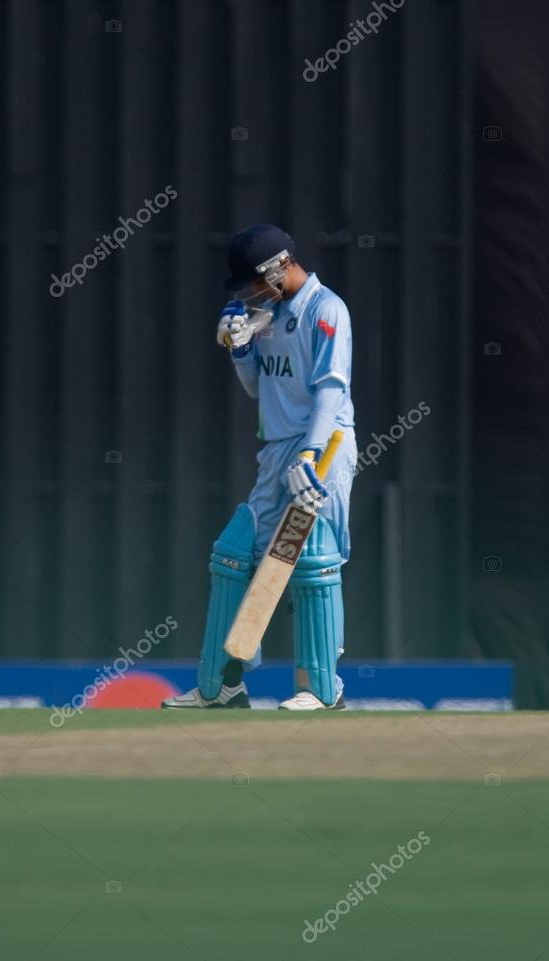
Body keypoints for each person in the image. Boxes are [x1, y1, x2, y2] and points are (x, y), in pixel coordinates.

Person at [162, 224, 357, 710]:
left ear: (279, 267)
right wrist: (241, 351)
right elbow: (258, 388)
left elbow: (331, 389)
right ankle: (223, 684)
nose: (249, 293)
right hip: (275, 450)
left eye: (253, 282)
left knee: (312, 561)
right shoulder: (265, 314)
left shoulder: (326, 309)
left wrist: (312, 455)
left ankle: (320, 687)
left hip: (323, 444)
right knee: (236, 555)